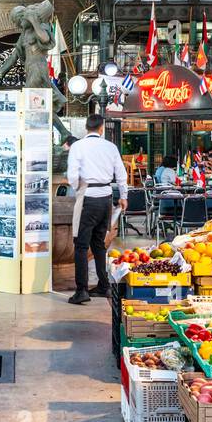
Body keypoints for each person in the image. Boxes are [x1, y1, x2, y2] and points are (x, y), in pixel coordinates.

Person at [66, 113, 128, 305]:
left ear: (87, 128)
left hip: (88, 196)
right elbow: (121, 173)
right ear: (101, 128)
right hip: (106, 197)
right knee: (99, 243)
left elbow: (72, 174)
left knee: (81, 245)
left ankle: (82, 290)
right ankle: (103, 285)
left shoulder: (78, 146)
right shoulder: (111, 147)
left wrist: (78, 188)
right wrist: (123, 196)